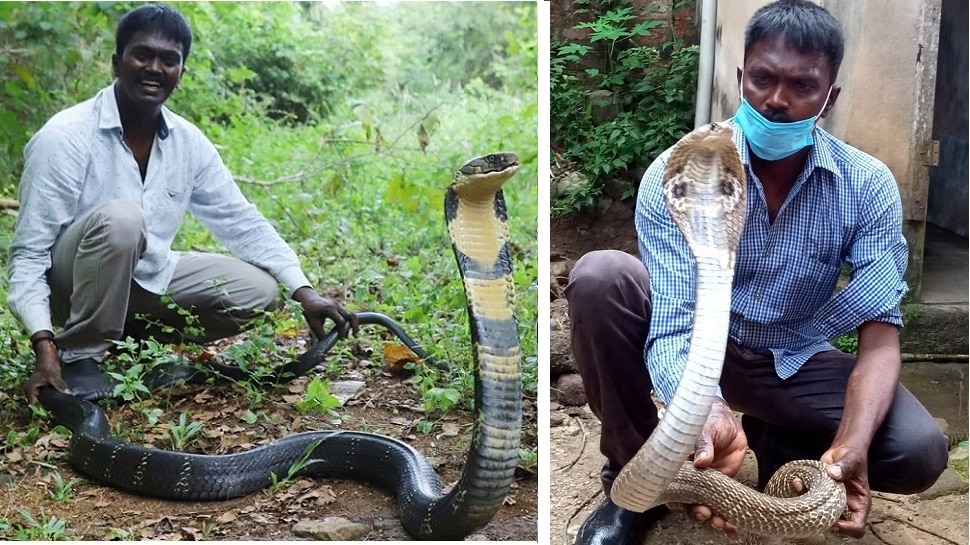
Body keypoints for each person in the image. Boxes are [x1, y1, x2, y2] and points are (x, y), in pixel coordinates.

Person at [566, 1, 948, 543]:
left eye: (802, 86)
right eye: (763, 79)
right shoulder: (678, 169)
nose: (776, 100)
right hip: (701, 343)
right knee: (602, 277)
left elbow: (880, 336)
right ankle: (636, 486)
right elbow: (675, 319)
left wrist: (851, 446)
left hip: (790, 358)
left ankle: (784, 441)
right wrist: (706, 407)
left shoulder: (867, 185)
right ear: (743, 77)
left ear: (829, 96)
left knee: (916, 450)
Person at [8, 4, 358, 405]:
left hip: (142, 281)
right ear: (117, 62)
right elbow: (30, 254)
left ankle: (130, 341)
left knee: (260, 292)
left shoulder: (188, 143)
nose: (155, 68)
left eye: (169, 60)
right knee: (123, 218)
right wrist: (45, 346)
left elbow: (239, 219)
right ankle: (81, 356)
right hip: (70, 288)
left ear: (181, 73)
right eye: (143, 55)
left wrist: (304, 289)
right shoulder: (65, 136)